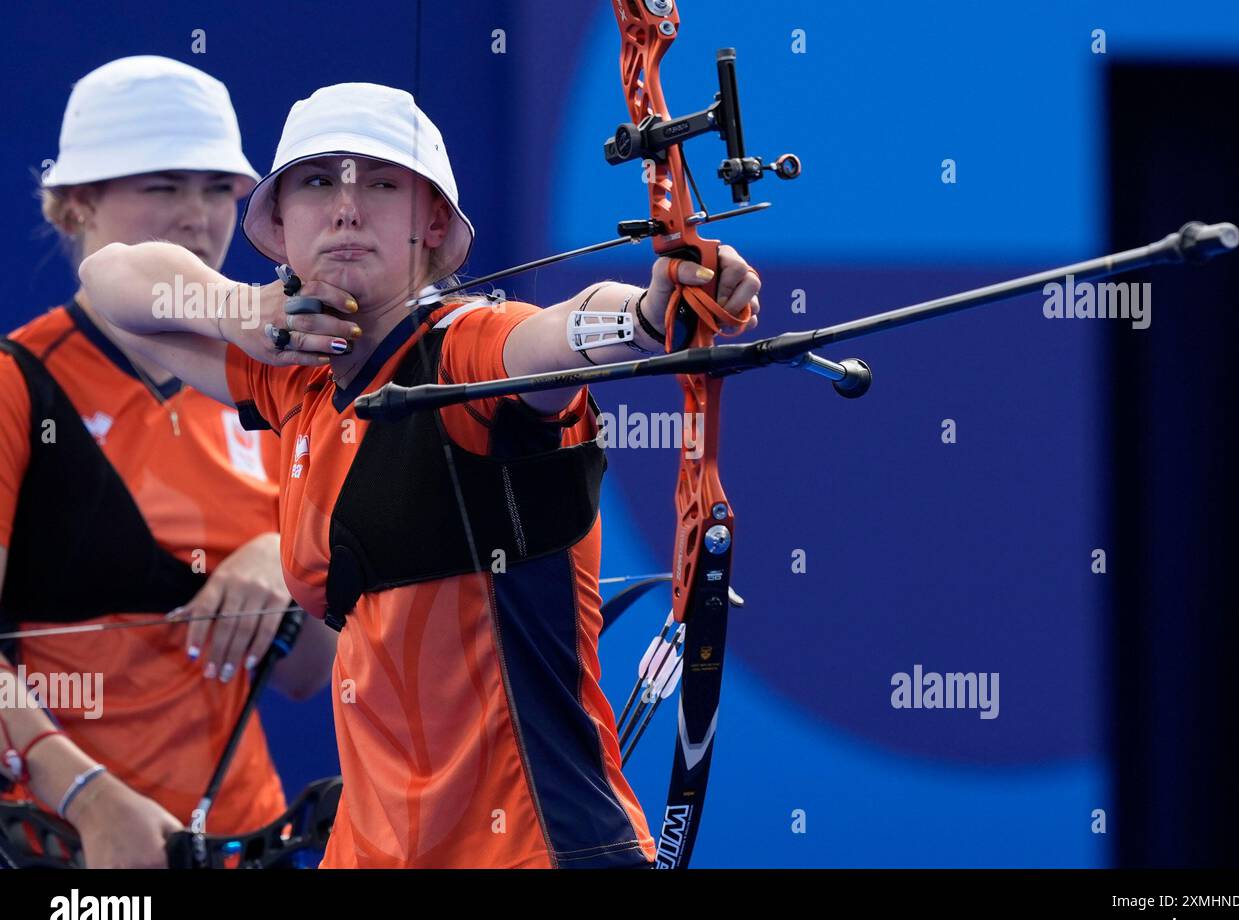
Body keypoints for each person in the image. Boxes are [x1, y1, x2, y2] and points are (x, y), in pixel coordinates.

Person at [80, 82, 762, 867]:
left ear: (433, 220)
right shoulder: (294, 379)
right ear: (281, 228)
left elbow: (552, 338)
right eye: (316, 181)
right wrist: (240, 309)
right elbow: (112, 279)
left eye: (379, 181)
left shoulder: (469, 351)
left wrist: (643, 317)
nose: (345, 206)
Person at [0, 56, 336, 869]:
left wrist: (284, 561)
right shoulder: (19, 383)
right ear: (76, 201)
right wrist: (91, 798)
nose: (198, 215)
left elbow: (306, 673)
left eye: (221, 187)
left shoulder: (268, 386)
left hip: (237, 837)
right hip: (65, 848)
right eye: (163, 185)